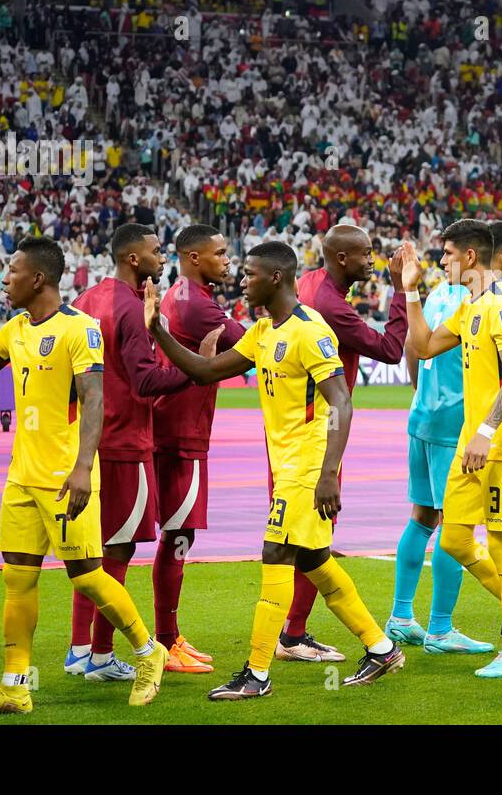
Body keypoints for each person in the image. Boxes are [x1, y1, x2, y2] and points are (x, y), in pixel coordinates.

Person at [146, 242, 405, 697]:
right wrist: (158, 331)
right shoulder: (264, 330)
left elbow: (341, 402)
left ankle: (257, 674)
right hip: (287, 464)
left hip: (307, 466)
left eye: (249, 273)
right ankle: (381, 649)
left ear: (276, 279)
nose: (241, 280)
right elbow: (207, 371)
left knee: (276, 553)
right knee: (314, 560)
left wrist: (328, 474)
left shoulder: (311, 330)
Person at [0, 237, 169, 714]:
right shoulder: (17, 328)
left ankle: (149, 651)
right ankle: (14, 685)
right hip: (22, 478)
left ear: (38, 278)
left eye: (12, 270)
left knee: (87, 576)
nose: (4, 278)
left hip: (63, 476)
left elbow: (94, 397)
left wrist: (82, 469)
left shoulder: (80, 329)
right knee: (17, 578)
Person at [400, 221, 502, 679]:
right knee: (453, 538)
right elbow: (424, 346)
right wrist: (409, 293)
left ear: (469, 257)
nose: (441, 261)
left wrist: (485, 431)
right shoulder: (472, 305)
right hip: (475, 444)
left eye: (447, 254)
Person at [66, 225, 213, 680]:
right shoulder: (129, 308)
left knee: (96, 548)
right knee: (118, 550)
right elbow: (146, 380)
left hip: (92, 440)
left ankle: (79, 648)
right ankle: (102, 655)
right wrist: (197, 370)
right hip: (127, 440)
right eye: (154, 251)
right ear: (133, 258)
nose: (160, 256)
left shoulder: (89, 298)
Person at [281, 224, 409, 663]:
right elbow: (391, 350)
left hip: (297, 425)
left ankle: (289, 634)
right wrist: (399, 292)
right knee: (310, 537)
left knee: (302, 535)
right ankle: (290, 637)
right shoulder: (331, 307)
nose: (372, 260)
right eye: (366, 253)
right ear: (341, 258)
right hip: (317, 429)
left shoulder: (313, 282)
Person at [152, 224, 246, 671]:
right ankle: (164, 642)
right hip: (181, 431)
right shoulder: (198, 307)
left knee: (173, 536)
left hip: (172, 424)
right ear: (193, 257)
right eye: (220, 253)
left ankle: (159, 639)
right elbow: (253, 346)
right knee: (178, 536)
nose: (227, 260)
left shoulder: (182, 296)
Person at [385, 266, 492, 656]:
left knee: (422, 516)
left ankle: (400, 617)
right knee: (455, 524)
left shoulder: (435, 294)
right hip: (453, 423)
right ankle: (441, 630)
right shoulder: (478, 300)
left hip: (423, 416)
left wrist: (419, 392)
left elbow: (415, 346)